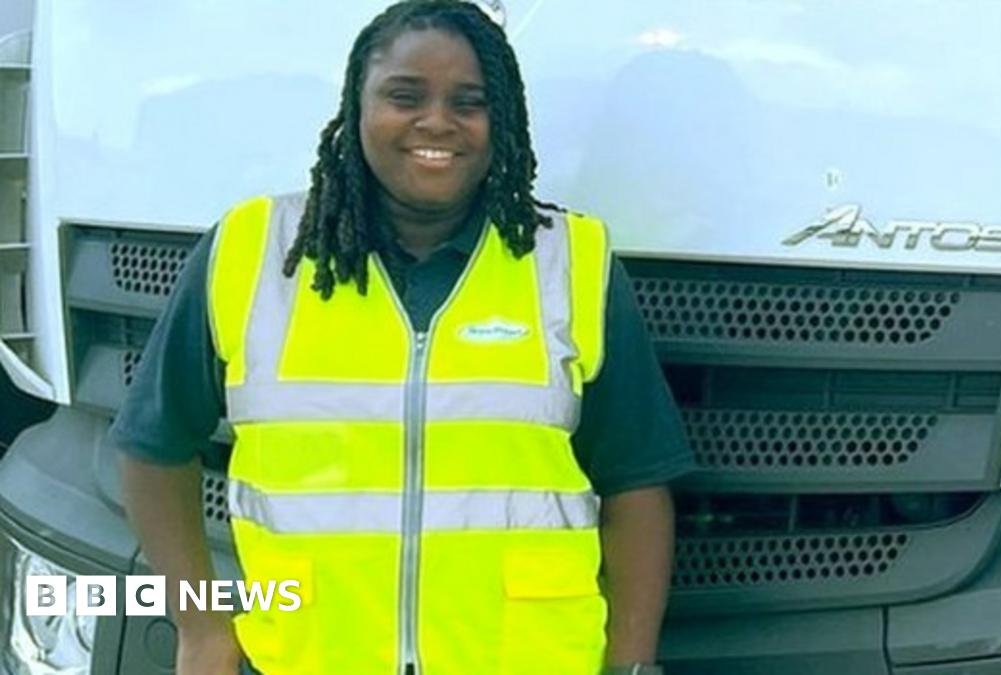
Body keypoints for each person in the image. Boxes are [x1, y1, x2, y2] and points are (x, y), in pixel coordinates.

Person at [110, 1, 695, 674]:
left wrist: (631, 666)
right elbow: (151, 450)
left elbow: (638, 485)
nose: (437, 121)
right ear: (356, 106)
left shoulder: (572, 262)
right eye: (404, 95)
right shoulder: (251, 251)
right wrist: (202, 627)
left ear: (499, 118)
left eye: (469, 102)